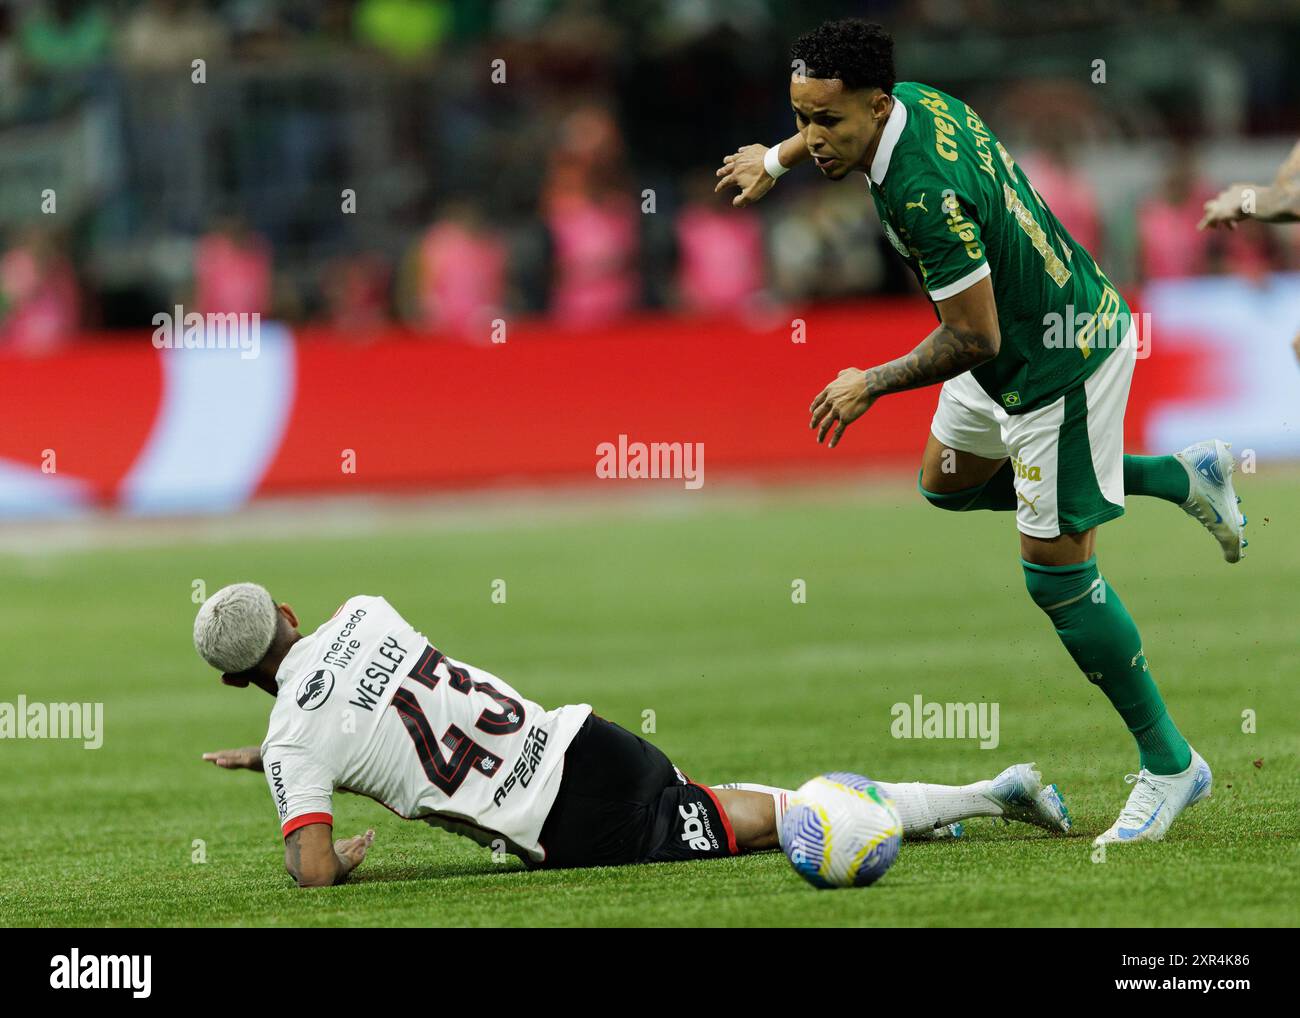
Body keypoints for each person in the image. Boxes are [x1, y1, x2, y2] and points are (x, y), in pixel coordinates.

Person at [714, 19, 1238, 847]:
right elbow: (971, 329)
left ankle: (1171, 764)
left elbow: (974, 337)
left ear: (878, 109)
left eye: (828, 123)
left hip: (1057, 360)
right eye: (801, 118)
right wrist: (775, 160)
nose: (813, 138)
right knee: (946, 483)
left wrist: (870, 381)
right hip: (1007, 343)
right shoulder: (915, 100)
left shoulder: (922, 193)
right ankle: (1180, 477)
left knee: (1056, 581)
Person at [194, 583, 1071, 887]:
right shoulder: (364, 611)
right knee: (752, 812)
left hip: (571, 827)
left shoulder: (293, 742)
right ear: (289, 612)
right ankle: (953, 805)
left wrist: (326, 828)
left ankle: (979, 797)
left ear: (236, 680)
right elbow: (376, 702)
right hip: (590, 742)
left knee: (776, 826)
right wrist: (294, 751)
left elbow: (308, 869)